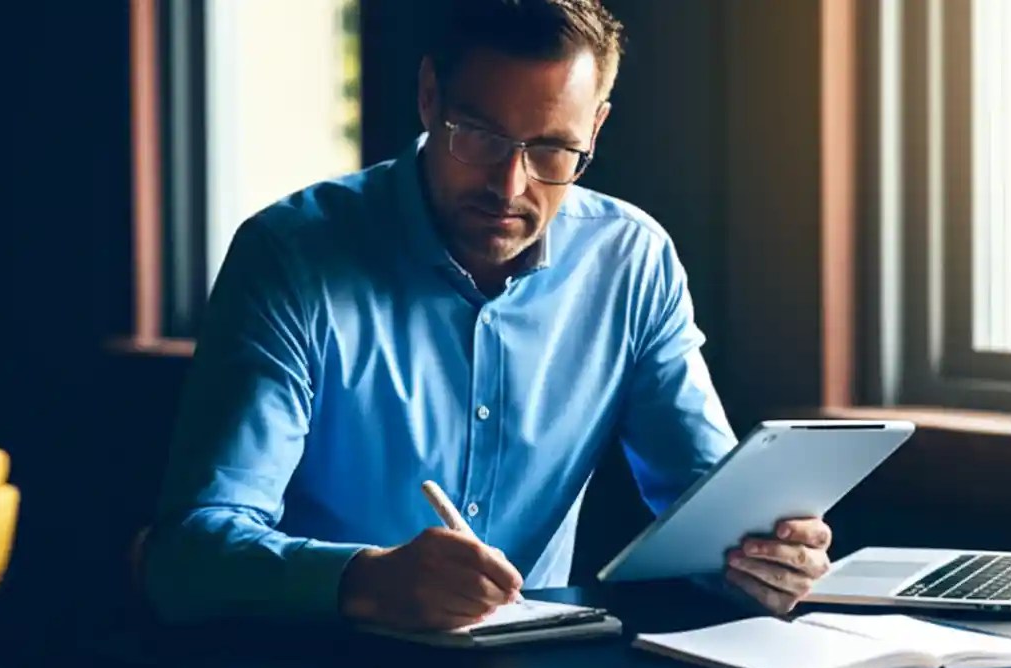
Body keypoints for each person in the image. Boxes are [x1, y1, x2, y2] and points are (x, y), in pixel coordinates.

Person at [144, 0, 833, 631]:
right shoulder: (290, 256)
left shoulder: (631, 261)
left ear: (595, 128)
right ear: (427, 96)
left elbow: (707, 515)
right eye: (478, 135)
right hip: (308, 665)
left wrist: (760, 561)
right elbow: (190, 547)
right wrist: (364, 580)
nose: (510, 185)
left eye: (552, 150)